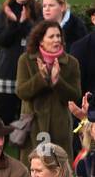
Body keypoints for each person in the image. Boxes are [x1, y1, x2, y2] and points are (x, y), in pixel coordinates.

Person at [17, 21, 82, 161]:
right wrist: (41, 78)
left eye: (58, 36)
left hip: (60, 128)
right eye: (51, 37)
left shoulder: (71, 63)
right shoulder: (26, 60)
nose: (56, 40)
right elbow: (21, 91)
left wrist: (57, 81)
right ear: (41, 40)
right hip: (33, 127)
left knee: (60, 172)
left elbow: (75, 95)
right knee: (34, 172)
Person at [0, 0, 39, 125]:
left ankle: (27, 150)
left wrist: (24, 22)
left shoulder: (39, 11)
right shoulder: (5, 12)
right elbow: (2, 40)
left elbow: (38, 37)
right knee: (5, 118)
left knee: (29, 119)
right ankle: (0, 148)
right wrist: (14, 24)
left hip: (32, 71)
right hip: (8, 71)